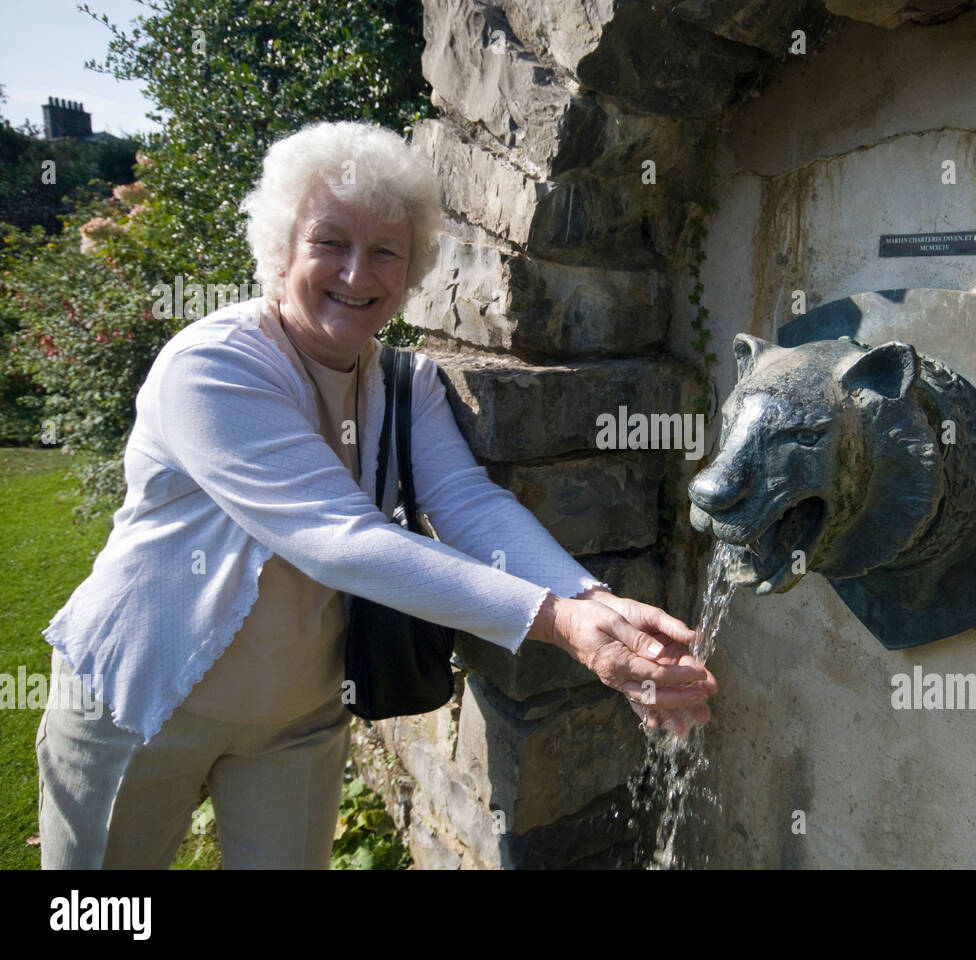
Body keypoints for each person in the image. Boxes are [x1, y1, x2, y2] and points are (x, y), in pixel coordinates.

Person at [35, 120, 717, 869]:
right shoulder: (214, 366)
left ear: (411, 268)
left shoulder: (403, 380)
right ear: (281, 248)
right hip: (138, 698)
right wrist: (558, 623)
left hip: (294, 719)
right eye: (330, 242)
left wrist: (595, 603)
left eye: (385, 251)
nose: (357, 275)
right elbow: (337, 538)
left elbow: (468, 505)